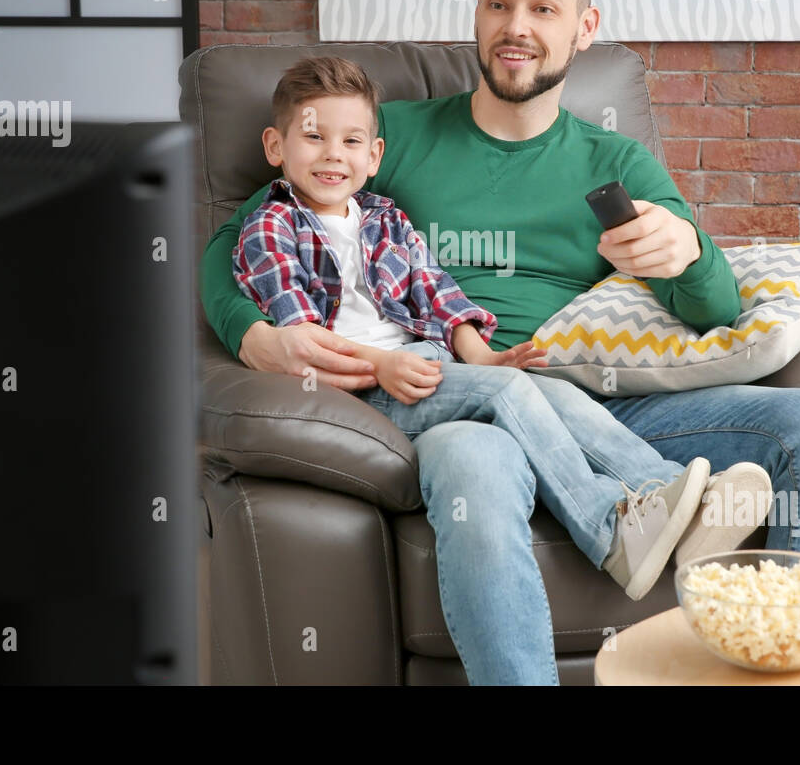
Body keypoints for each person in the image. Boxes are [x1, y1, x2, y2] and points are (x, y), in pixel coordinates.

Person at [200, 0, 800, 684]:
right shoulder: (386, 139)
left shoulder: (612, 158)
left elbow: (714, 306)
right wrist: (255, 336)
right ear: (477, 14)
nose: (516, 28)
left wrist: (684, 252)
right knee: (473, 465)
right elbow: (240, 239)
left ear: (584, 28)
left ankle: (795, 659)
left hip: (606, 401)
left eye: (543, 8)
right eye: (498, 3)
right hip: (454, 398)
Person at [234, 55, 772, 602]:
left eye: (351, 142)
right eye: (313, 137)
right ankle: (617, 527)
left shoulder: (383, 218)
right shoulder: (271, 227)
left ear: (374, 156)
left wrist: (482, 356)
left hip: (420, 365)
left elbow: (435, 292)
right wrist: (383, 364)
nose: (332, 154)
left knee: (542, 384)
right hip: (360, 392)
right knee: (513, 391)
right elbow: (304, 337)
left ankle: (672, 497)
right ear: (276, 147)